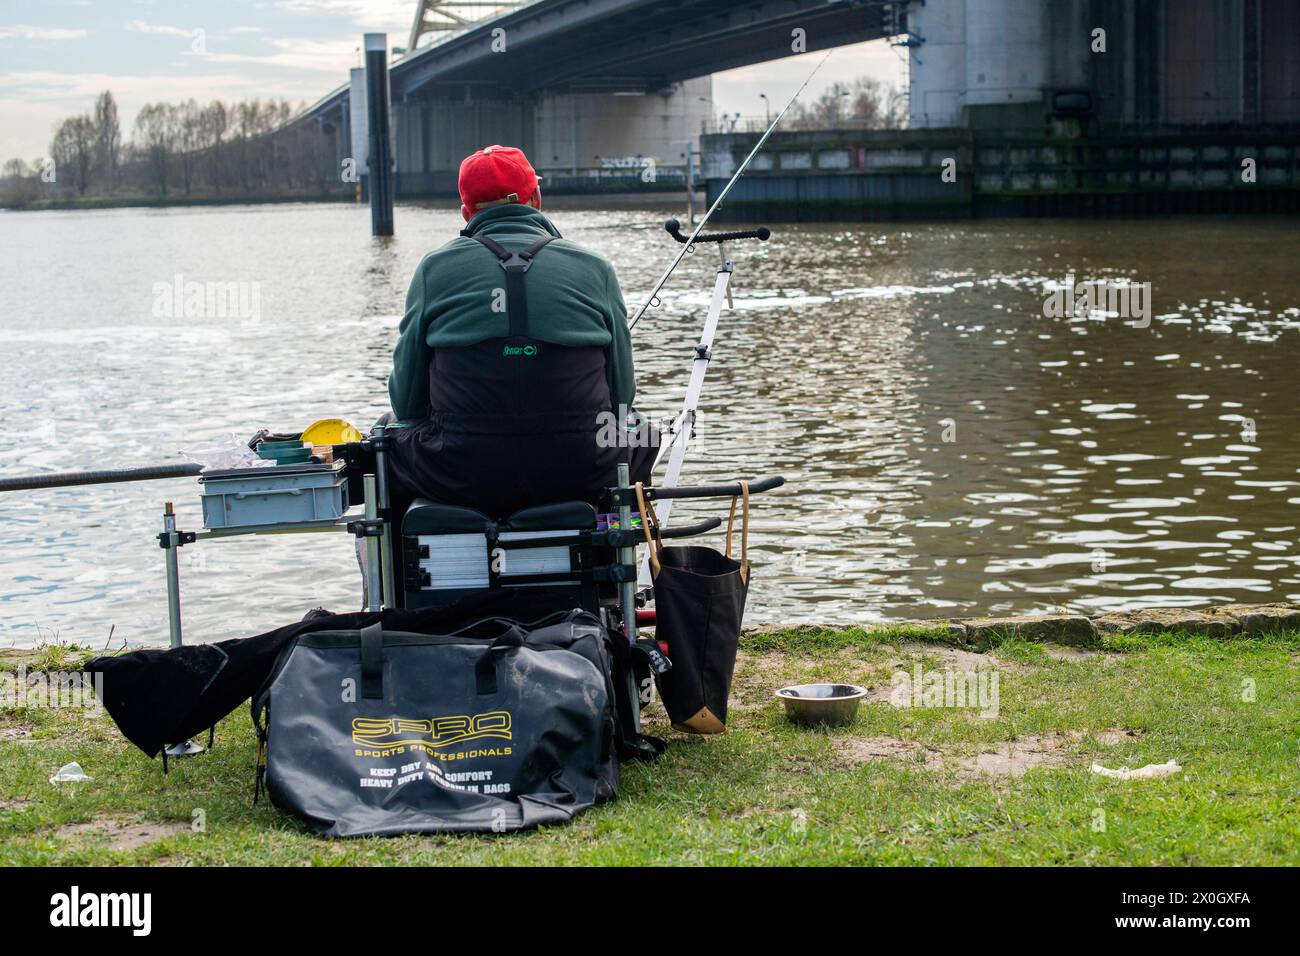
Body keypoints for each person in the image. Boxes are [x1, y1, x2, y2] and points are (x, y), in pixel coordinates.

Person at [386, 145, 657, 521]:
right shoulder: (595, 268)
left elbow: (406, 402)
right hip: (581, 469)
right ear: (537, 198)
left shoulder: (433, 270)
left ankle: (410, 570)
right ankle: (608, 546)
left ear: (466, 213)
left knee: (386, 434)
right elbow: (622, 395)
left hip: (458, 473)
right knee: (643, 431)